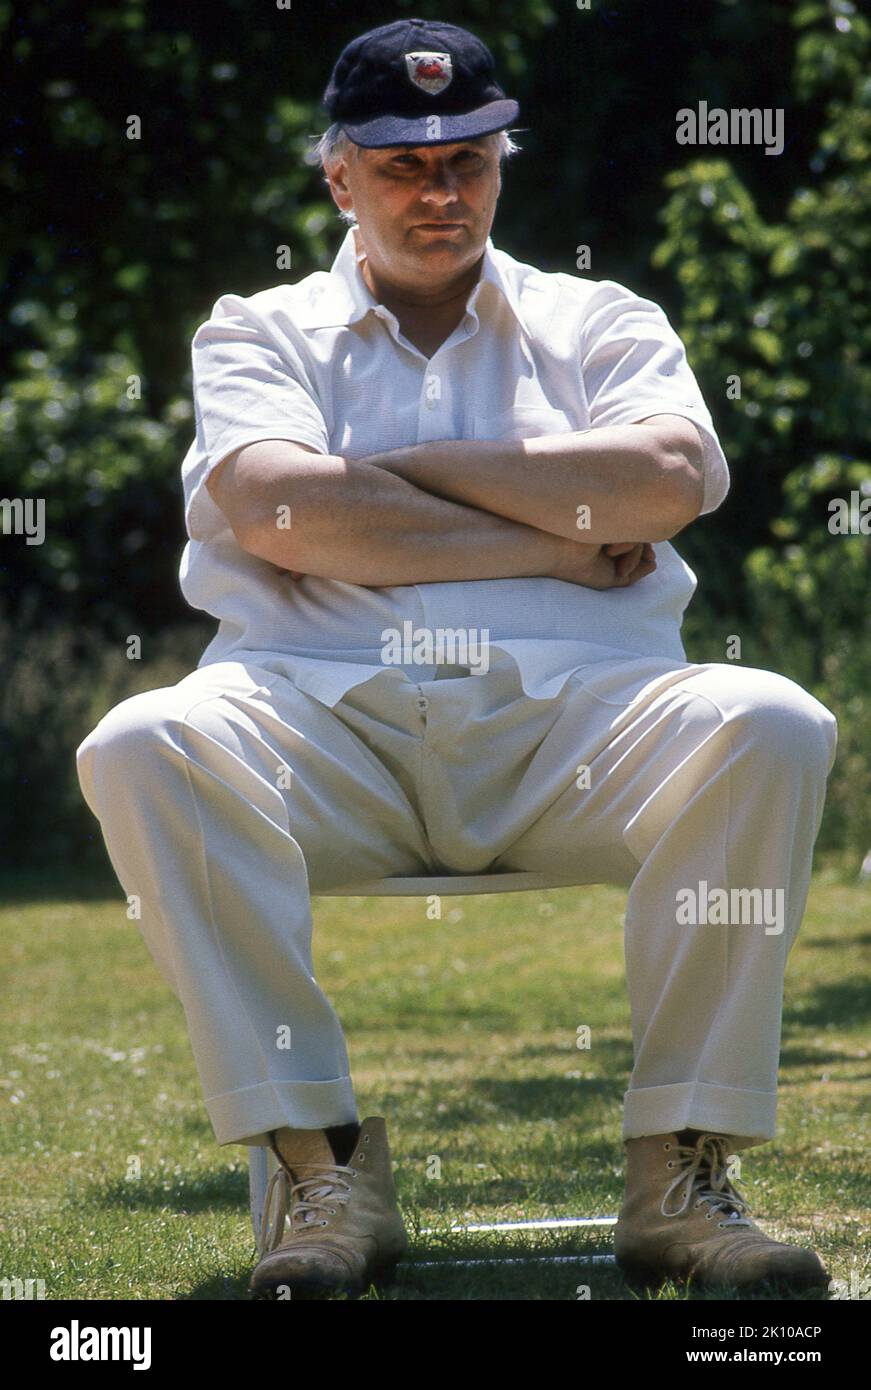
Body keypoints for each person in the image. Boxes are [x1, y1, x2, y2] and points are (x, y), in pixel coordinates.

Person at [76, 17, 837, 1299]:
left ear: (499, 163)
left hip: (578, 729)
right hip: (322, 731)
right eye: (401, 167)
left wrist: (390, 475)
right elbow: (280, 510)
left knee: (772, 721)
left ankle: (679, 1178)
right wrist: (550, 540)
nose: (440, 193)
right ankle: (323, 1173)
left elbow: (663, 483)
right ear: (339, 177)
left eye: (467, 162)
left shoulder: (598, 318)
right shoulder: (256, 329)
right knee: (141, 742)